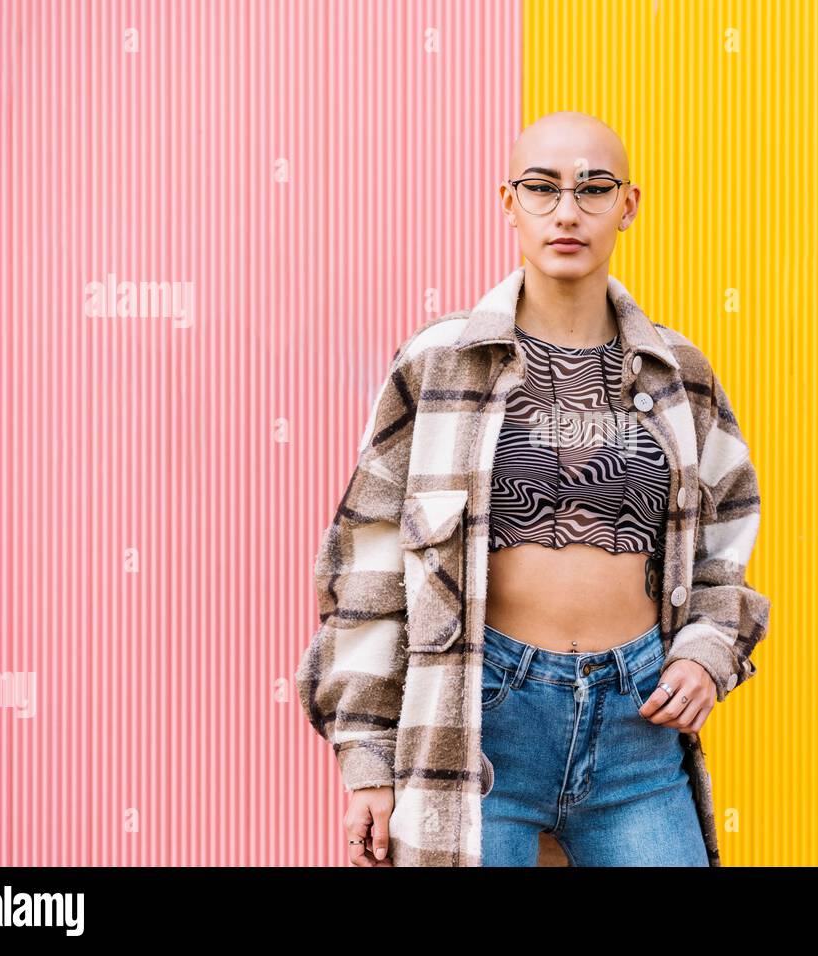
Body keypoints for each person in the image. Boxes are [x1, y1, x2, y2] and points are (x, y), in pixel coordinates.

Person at [296, 110, 770, 866]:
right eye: (542, 189)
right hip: (476, 724)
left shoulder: (680, 373)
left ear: (629, 205)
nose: (567, 212)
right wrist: (366, 760)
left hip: (637, 731)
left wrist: (707, 650)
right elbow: (370, 563)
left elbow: (724, 541)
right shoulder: (438, 362)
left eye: (593, 188)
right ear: (508, 203)